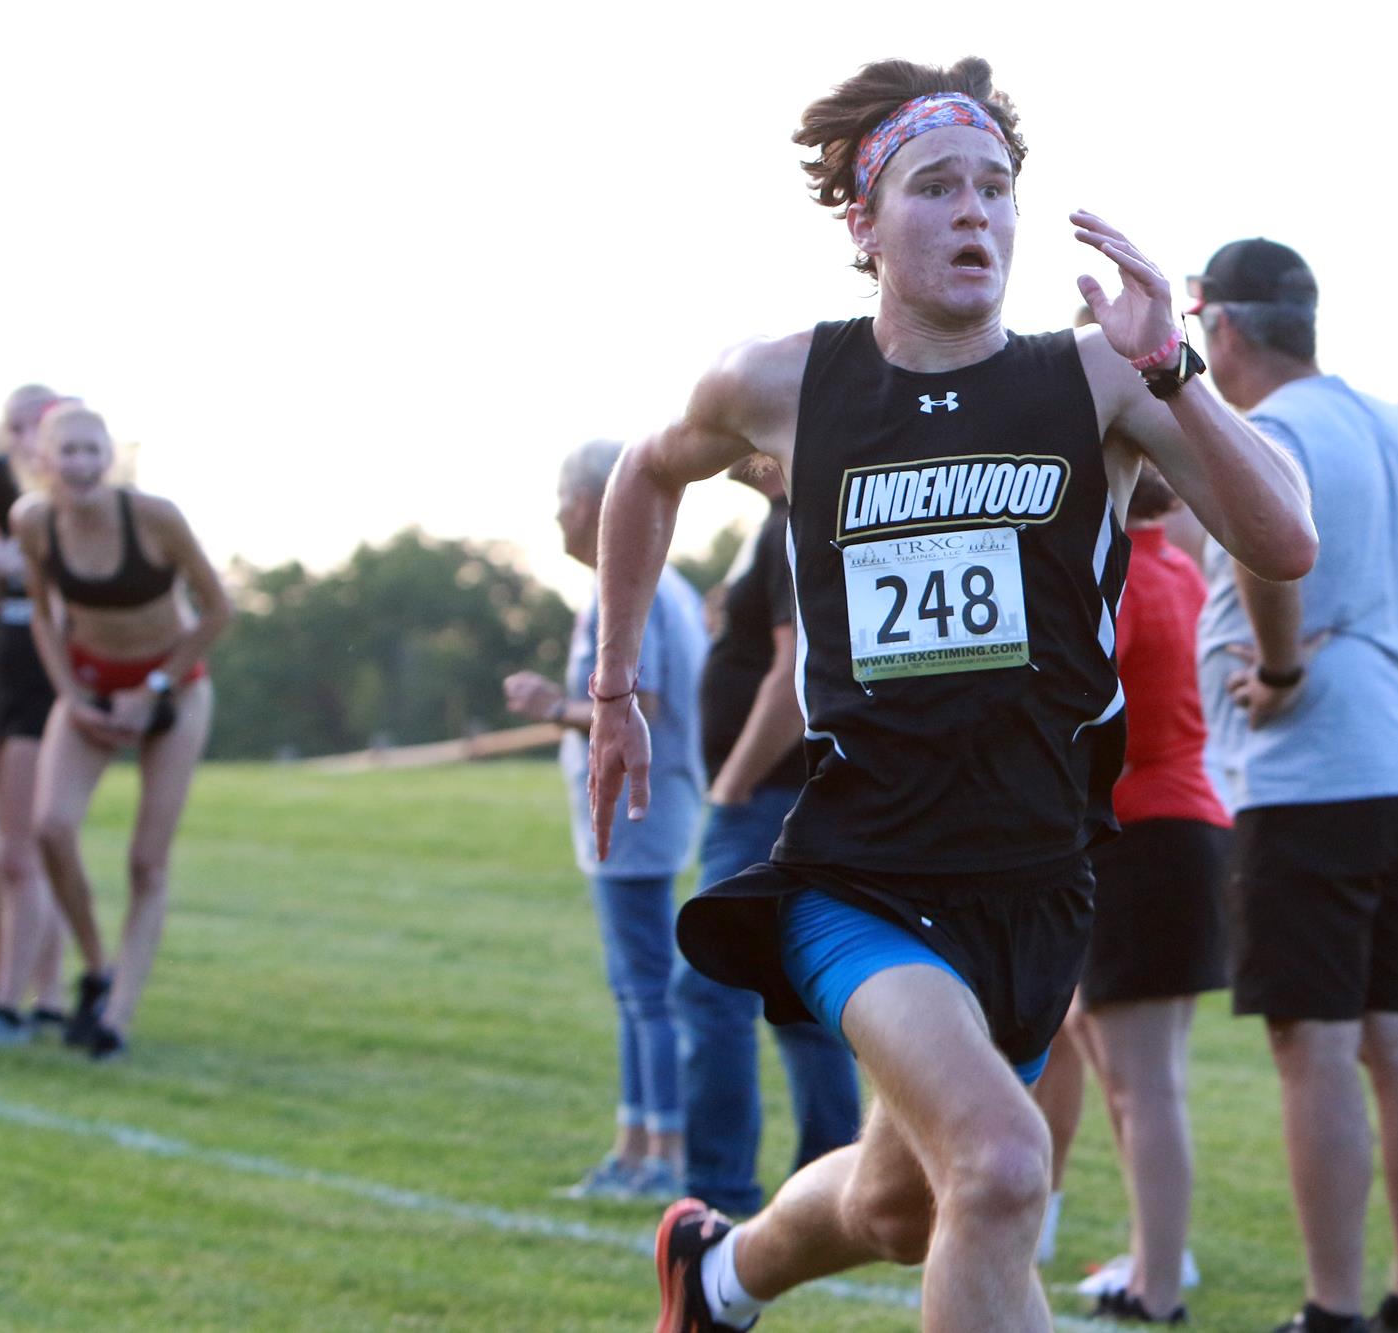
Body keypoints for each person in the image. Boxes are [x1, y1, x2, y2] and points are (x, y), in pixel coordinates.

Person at [586, 57, 1315, 1333]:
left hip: (1037, 881)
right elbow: (645, 476)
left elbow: (1284, 542)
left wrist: (1173, 370)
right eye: (934, 188)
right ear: (863, 227)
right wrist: (612, 689)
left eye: (995, 187)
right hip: (859, 874)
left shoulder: (1095, 379)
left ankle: (713, 1276)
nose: (974, 212)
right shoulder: (782, 383)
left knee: (899, 1207)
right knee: (1001, 1163)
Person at [1186, 238, 1398, 1333]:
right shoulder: (1388, 422)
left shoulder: (1267, 433)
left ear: (1222, 330)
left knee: (1316, 1046)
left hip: (1314, 777)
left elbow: (1264, 541)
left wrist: (1280, 667)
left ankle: (1331, 1311)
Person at [1031, 463, 1228, 1326]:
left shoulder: (1128, 578)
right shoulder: (1172, 565)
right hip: (1167, 833)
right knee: (1123, 1068)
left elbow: (1082, 717)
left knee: (1144, 1081)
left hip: (1146, 834)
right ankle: (1152, 1261)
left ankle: (1160, 1285)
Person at [504, 439, 708, 1200]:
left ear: (590, 504)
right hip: (644, 814)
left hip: (634, 814)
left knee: (647, 988)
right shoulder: (661, 586)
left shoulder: (628, 592)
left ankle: (660, 1155)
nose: (555, 514)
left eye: (561, 497)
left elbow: (640, 709)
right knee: (634, 985)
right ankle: (632, 1146)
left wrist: (549, 708)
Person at [1, 402, 231, 1059]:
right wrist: (72, 696)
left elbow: (218, 610)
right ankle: (96, 969)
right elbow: (44, 615)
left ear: (109, 455)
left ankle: (116, 1018)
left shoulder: (154, 518)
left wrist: (151, 690)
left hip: (172, 692)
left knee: (144, 861)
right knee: (51, 827)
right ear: (42, 461)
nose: (78, 463)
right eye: (64, 451)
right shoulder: (34, 522)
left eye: (89, 450)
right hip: (91, 692)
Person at [670, 453, 859, 1219]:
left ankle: (717, 1189)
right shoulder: (779, 527)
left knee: (709, 990)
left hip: (764, 800)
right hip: (789, 796)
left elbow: (792, 672)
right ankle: (830, 1183)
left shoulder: (790, 524)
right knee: (803, 994)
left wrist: (733, 782)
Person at [0, 385, 70, 1039]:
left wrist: (20, 571)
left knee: (26, 847)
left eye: (31, 423)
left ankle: (24, 999)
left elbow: (74, 595)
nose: (19, 434)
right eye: (12, 423)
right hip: (1, 667)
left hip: (45, 677)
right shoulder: (6, 496)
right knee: (8, 846)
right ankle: (41, 992)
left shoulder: (72, 504)